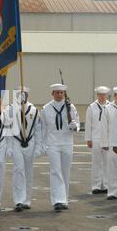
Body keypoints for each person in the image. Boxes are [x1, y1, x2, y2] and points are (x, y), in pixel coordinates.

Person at [41, 84, 80, 212]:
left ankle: (64, 199)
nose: (59, 95)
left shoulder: (70, 107)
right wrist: (43, 144)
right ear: (52, 93)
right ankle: (57, 200)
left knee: (65, 172)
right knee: (55, 171)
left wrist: (75, 126)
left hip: (67, 142)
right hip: (53, 143)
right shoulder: (46, 108)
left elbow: (76, 124)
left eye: (61, 93)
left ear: (64, 94)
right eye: (57, 92)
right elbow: (44, 128)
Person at [5, 87, 42, 212]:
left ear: (28, 96)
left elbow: (38, 130)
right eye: (19, 94)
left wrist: (38, 147)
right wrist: (9, 146)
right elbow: (7, 127)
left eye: (24, 94)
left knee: (28, 171)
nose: (22, 96)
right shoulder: (11, 109)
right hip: (16, 141)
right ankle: (18, 200)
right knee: (18, 170)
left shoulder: (34, 110)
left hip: (30, 143)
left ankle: (27, 200)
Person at [100, 87, 117, 200]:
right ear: (114, 96)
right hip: (112, 142)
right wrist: (105, 143)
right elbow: (104, 126)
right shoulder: (108, 108)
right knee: (112, 168)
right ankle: (112, 191)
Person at [85, 86, 110, 194]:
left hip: (107, 138)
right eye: (100, 94)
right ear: (97, 95)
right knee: (96, 162)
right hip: (95, 137)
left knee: (107, 162)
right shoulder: (91, 107)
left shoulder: (110, 106)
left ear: (107, 95)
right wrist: (88, 138)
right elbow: (88, 123)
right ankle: (96, 186)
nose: (102, 96)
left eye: (104, 94)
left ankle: (106, 185)